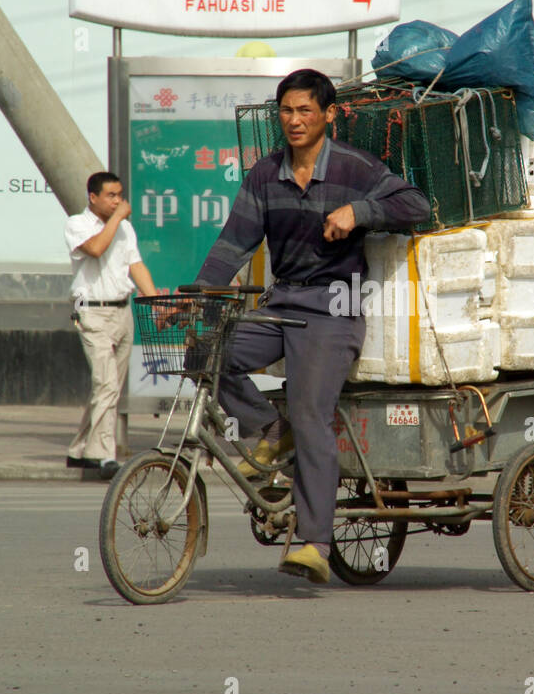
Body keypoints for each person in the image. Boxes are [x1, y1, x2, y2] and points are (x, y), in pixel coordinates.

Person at [194, 68, 431, 584]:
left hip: (334, 311)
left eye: (305, 111)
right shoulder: (265, 173)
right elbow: (233, 244)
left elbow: (417, 204)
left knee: (309, 411)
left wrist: (359, 211)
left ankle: (314, 542)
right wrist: (197, 296)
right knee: (203, 353)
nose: (294, 121)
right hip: (283, 304)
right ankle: (266, 429)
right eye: (286, 111)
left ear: (328, 115)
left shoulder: (354, 168)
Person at [65, 171, 162, 480]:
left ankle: (79, 448)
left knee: (109, 386)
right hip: (90, 311)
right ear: (93, 197)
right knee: (106, 384)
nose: (118, 200)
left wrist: (155, 300)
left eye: (119, 194)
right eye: (111, 195)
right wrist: (117, 218)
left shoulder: (125, 229)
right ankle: (103, 455)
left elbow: (136, 265)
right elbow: (95, 249)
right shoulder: (77, 224)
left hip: (122, 311)